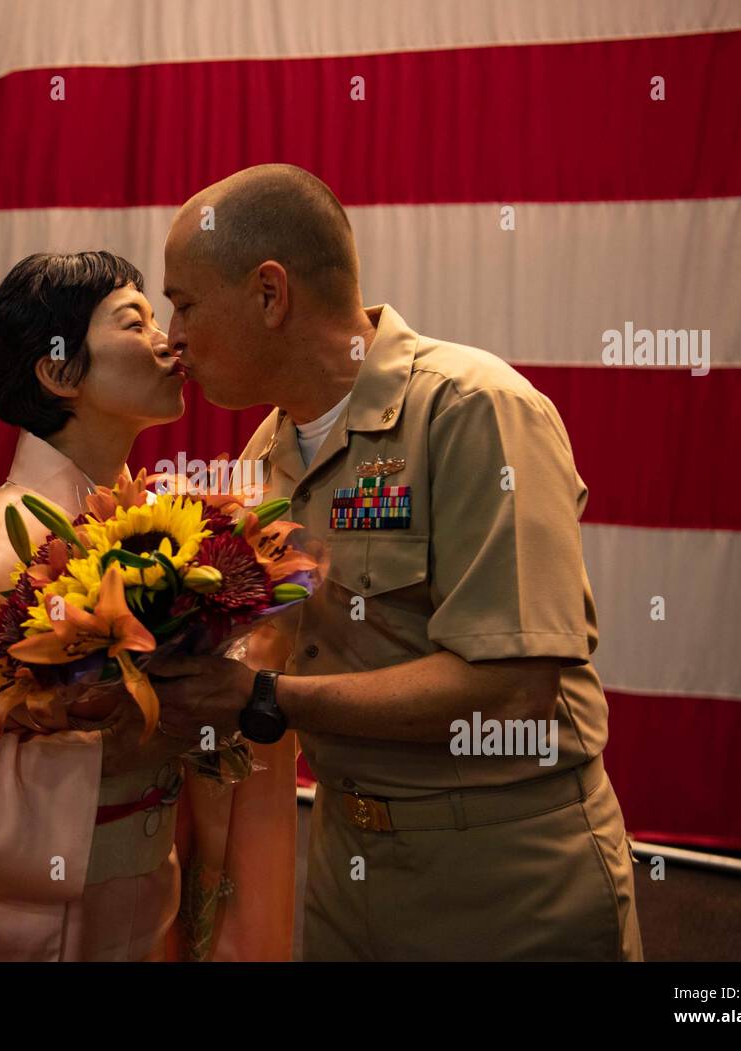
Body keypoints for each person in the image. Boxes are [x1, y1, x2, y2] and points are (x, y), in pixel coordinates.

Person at [151, 164, 644, 961]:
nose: (170, 337)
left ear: (270, 295)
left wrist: (264, 698)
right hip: (348, 861)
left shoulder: (473, 410)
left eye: (184, 303)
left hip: (502, 874)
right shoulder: (267, 452)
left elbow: (515, 685)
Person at [0, 251, 296, 961]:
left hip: (130, 885)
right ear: (57, 370)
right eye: (133, 321)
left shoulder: (141, 518)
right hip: (56, 911)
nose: (170, 340)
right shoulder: (5, 544)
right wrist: (137, 739)